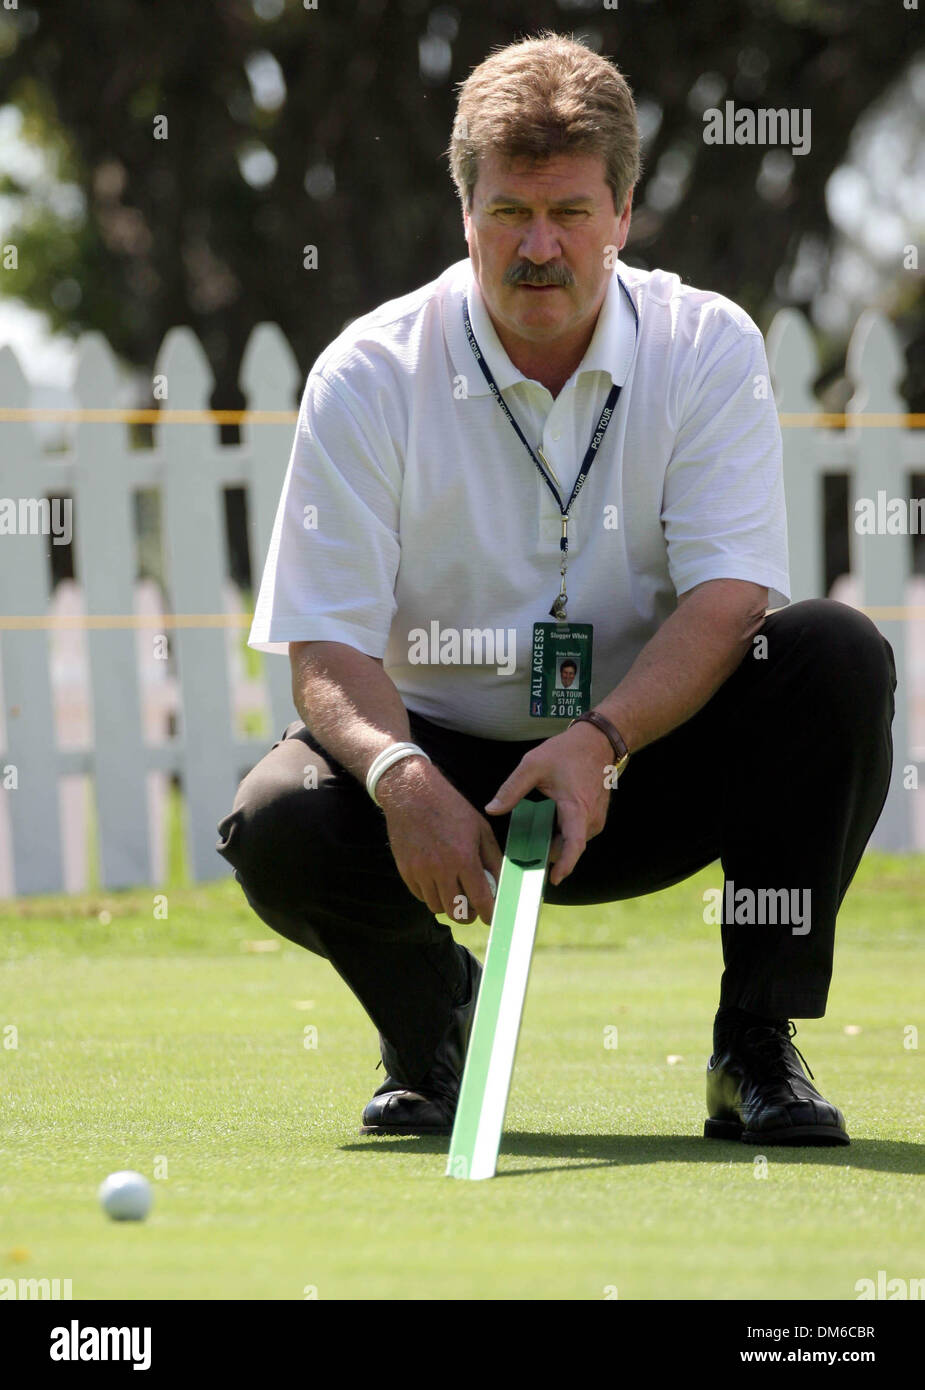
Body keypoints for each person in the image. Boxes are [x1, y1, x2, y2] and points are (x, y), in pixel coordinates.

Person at [216, 32, 895, 1146]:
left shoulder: (706, 343)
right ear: (464, 213)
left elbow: (731, 596)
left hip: (641, 762)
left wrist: (598, 739)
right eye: (508, 213)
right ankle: (437, 1023)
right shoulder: (368, 371)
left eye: (571, 213)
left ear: (622, 217)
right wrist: (396, 777)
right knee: (277, 817)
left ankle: (753, 1048)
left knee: (831, 653)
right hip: (445, 778)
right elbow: (323, 646)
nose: (538, 247)